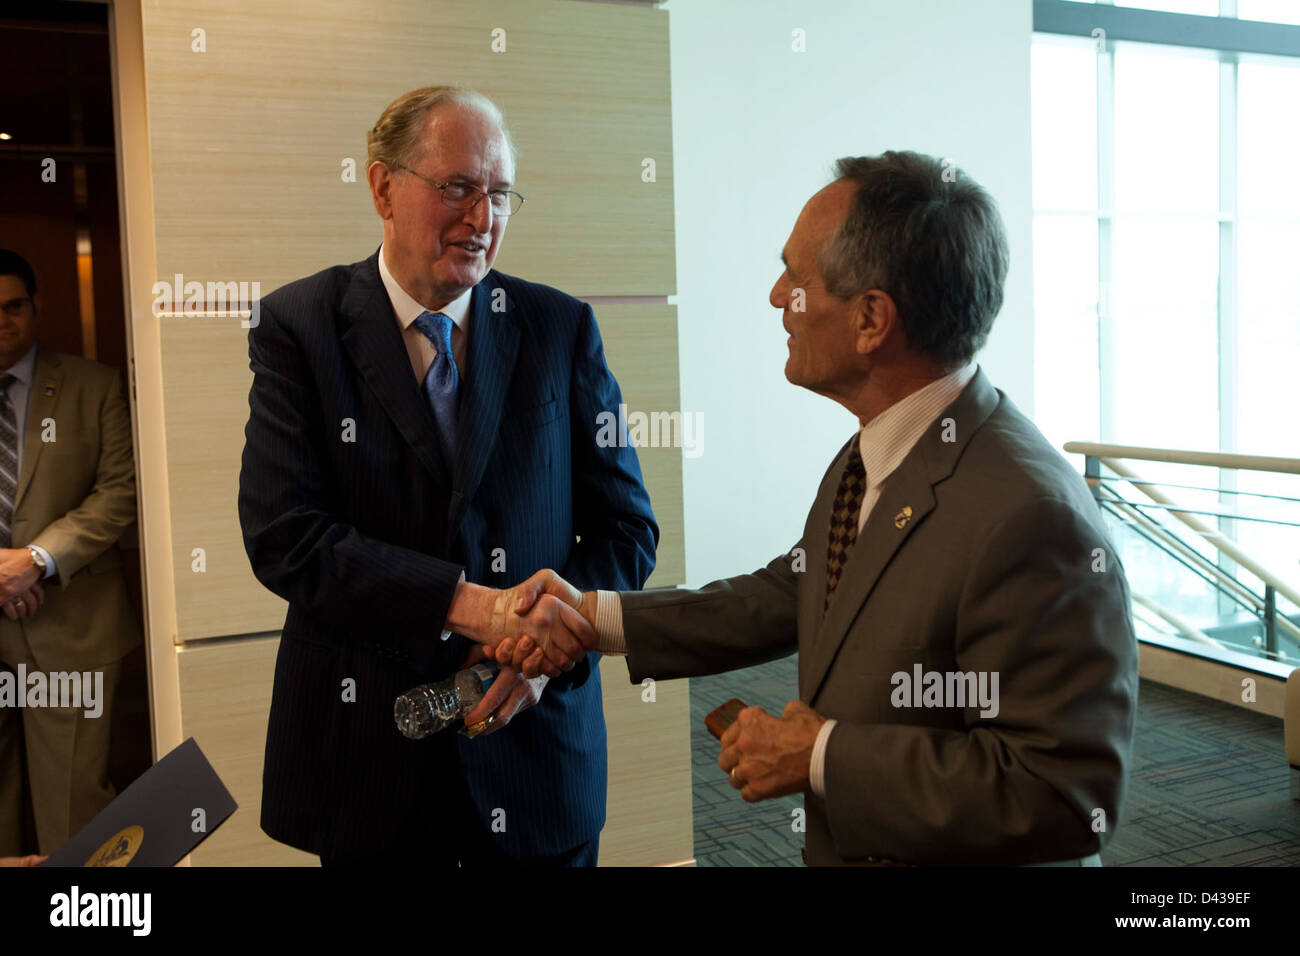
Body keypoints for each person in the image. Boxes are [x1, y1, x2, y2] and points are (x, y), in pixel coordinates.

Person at [498, 151, 1140, 866]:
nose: (777, 298)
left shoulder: (1032, 517)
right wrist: (593, 619)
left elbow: (1064, 796)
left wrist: (821, 755)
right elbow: (797, 589)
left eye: (796, 280)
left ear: (871, 319)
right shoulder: (875, 451)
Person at [238, 86, 657, 867]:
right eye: (457, 187)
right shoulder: (299, 328)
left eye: (499, 194)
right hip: (371, 761)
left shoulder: (560, 327)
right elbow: (286, 535)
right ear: (382, 188)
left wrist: (543, 652)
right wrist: (477, 608)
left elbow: (627, 529)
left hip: (535, 749)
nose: (481, 218)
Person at [0, 249, 142, 857]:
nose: (2, 320)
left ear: (36, 308)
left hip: (71, 623)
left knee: (72, 803)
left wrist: (34, 559)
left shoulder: (95, 384)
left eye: (13, 307)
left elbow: (120, 493)